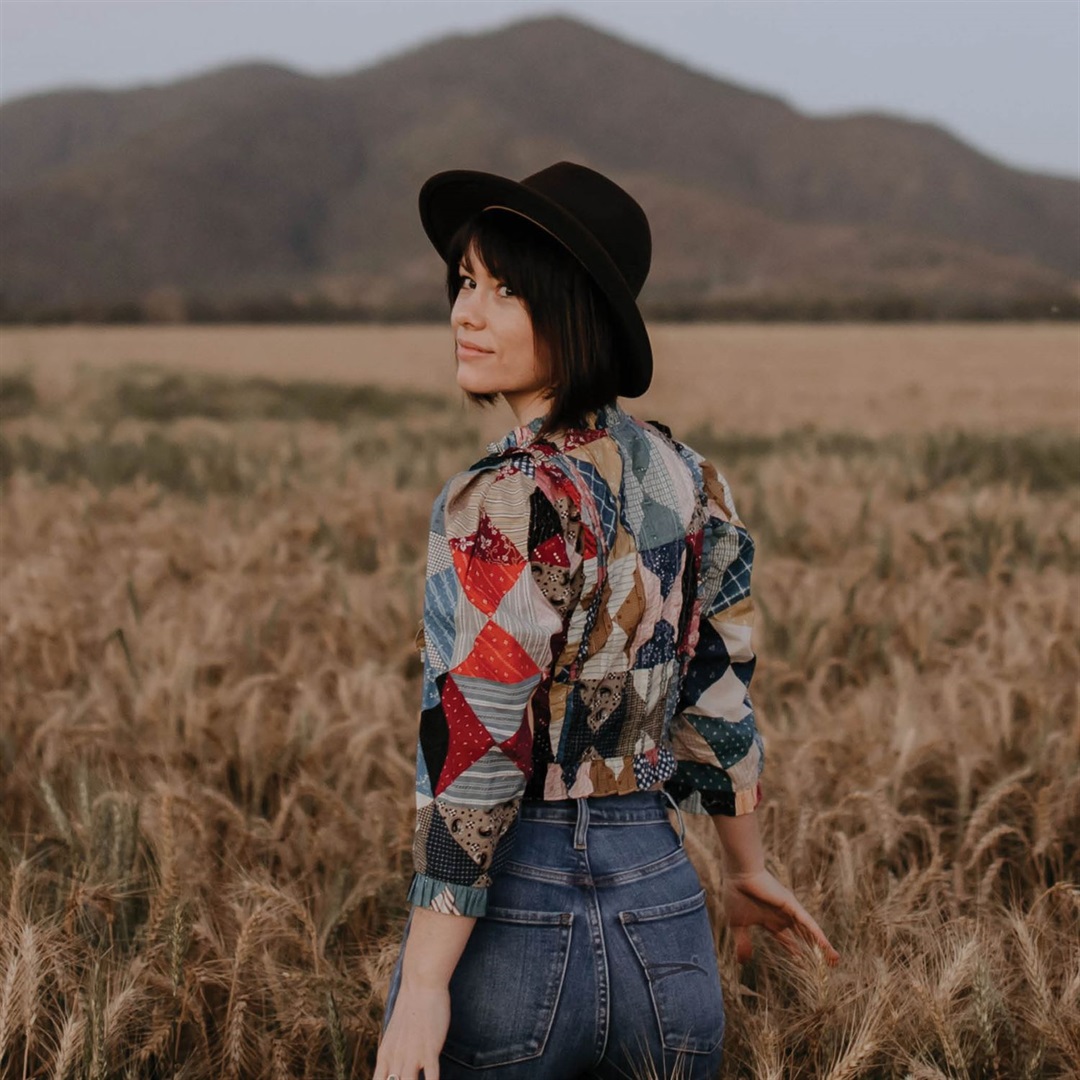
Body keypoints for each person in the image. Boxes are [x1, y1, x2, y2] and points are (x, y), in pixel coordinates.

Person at [375, 162, 838, 1080]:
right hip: (663, 913)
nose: (467, 313)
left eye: (506, 292)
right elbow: (721, 683)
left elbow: (478, 742)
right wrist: (743, 866)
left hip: (513, 919)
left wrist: (426, 983)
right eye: (466, 283)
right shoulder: (692, 478)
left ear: (576, 312)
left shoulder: (506, 498)